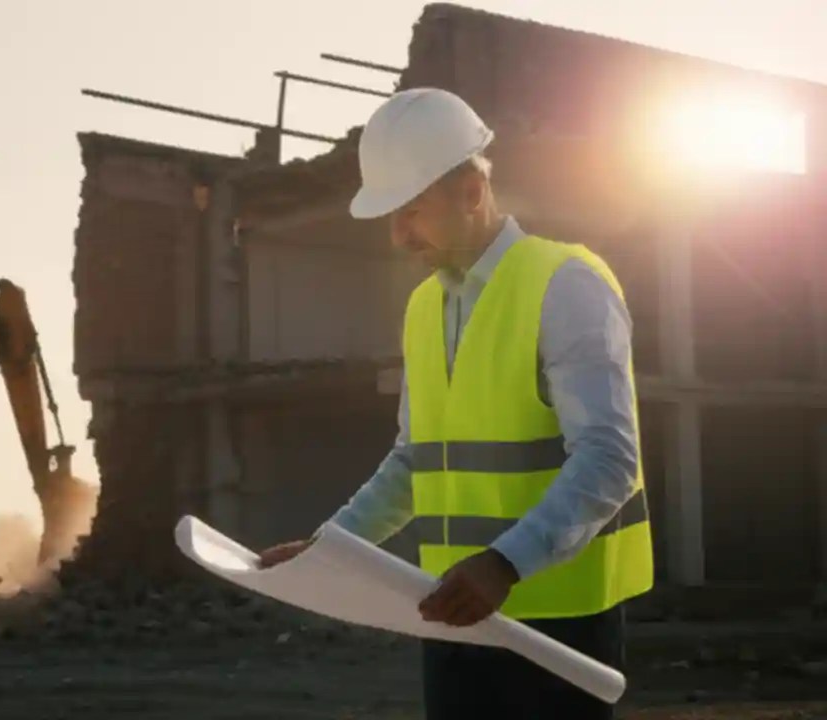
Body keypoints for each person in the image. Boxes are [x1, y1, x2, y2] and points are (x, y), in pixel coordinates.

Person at [257, 87, 654, 720]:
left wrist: (505, 564)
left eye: (410, 210)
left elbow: (609, 458)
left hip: (557, 628)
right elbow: (416, 463)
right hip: (449, 617)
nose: (397, 236)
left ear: (471, 191)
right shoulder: (424, 308)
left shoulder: (566, 284)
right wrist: (330, 548)